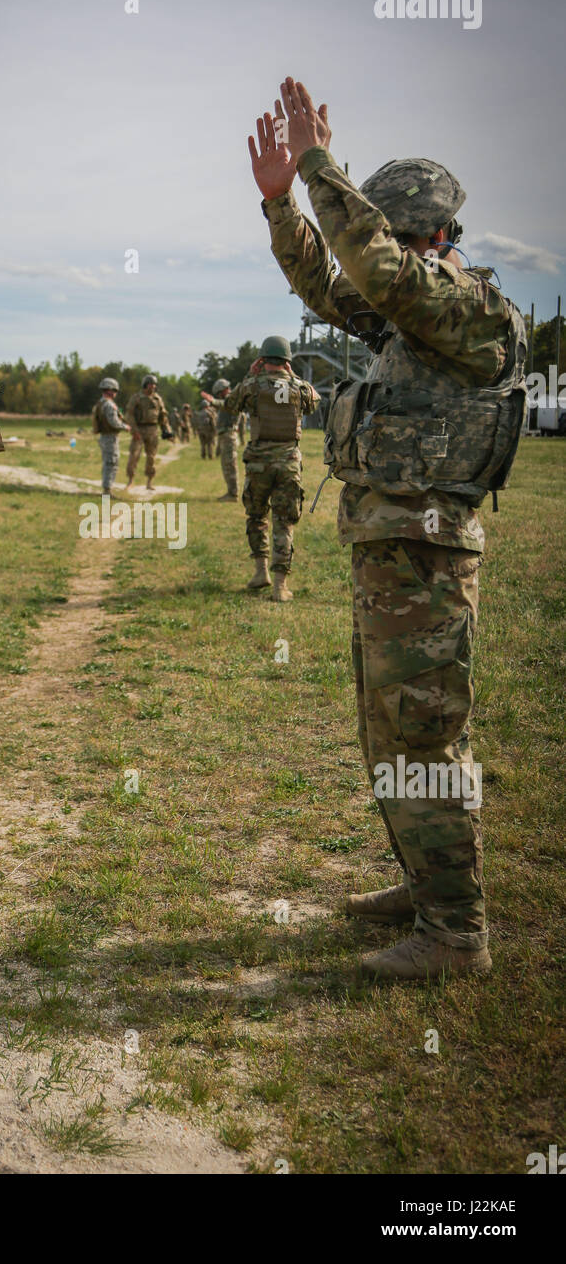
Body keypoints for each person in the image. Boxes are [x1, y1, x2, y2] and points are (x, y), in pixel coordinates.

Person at [249, 76, 526, 979]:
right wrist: (279, 202)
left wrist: (319, 165)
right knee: (389, 729)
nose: (396, 254)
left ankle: (456, 932)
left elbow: (371, 272)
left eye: (405, 237)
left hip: (431, 552)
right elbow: (328, 283)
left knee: (425, 728)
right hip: (387, 551)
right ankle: (423, 880)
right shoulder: (412, 313)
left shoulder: (475, 312)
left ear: (442, 237)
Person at [208, 338, 319, 599]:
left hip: (258, 462)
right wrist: (294, 376)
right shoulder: (299, 386)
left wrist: (250, 373)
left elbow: (231, 404)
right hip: (288, 462)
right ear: (287, 360)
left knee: (257, 516)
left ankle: (261, 572)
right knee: (284, 520)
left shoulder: (250, 385)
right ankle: (281, 586)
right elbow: (314, 400)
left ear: (262, 360)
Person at [124, 374, 174, 491]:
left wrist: (168, 432)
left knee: (151, 457)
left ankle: (149, 482)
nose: (153, 387)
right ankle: (130, 480)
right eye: (151, 384)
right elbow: (129, 415)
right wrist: (134, 430)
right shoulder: (136, 398)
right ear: (145, 385)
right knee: (134, 455)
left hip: (153, 430)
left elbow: (163, 416)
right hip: (139, 429)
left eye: (155, 385)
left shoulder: (158, 399)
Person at [92, 376, 129, 493]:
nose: (115, 393)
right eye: (115, 390)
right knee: (111, 463)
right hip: (110, 437)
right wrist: (125, 426)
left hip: (105, 436)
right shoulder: (109, 405)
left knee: (108, 462)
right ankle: (107, 490)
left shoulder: (100, 403)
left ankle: (107, 488)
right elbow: (113, 422)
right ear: (110, 390)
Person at [205, 376, 240, 501]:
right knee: (227, 464)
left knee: (230, 464)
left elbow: (222, 403)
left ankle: (233, 493)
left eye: (219, 393)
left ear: (222, 390)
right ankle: (231, 492)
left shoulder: (231, 399)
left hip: (229, 435)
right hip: (225, 435)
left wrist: (213, 401)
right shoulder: (228, 400)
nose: (219, 396)